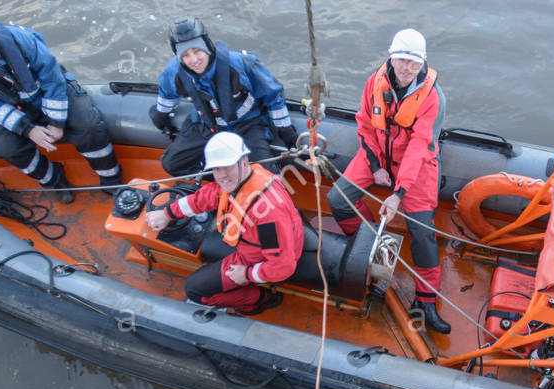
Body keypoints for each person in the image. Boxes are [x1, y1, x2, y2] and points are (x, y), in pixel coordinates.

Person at [326, 28, 450, 334]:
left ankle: (426, 300)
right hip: (378, 157)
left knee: (421, 231)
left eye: (414, 62)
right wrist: (373, 165)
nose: (407, 67)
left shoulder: (433, 98)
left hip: (416, 167)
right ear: (391, 57)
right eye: (402, 59)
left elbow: (420, 146)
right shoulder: (374, 83)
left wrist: (399, 191)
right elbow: (365, 125)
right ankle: (369, 239)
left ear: (423, 63)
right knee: (337, 200)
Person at [0, 3, 121, 203]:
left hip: (50, 92)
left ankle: (111, 178)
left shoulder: (20, 40)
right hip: (16, 107)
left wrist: (56, 121)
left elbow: (51, 75)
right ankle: (55, 180)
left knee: (88, 125)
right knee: (8, 149)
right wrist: (26, 129)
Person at [144, 132, 303, 315]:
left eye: (227, 167)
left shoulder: (268, 215)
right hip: (248, 242)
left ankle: (258, 299)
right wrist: (168, 213)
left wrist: (246, 274)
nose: (222, 175)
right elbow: (206, 196)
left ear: (244, 161)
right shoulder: (241, 180)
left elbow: (282, 266)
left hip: (255, 258)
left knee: (196, 291)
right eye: (217, 169)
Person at [150, 17, 298, 178]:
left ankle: (244, 183)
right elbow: (167, 94)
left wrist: (285, 128)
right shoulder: (174, 72)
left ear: (207, 46)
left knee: (267, 176)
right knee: (171, 164)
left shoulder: (242, 63)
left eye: (197, 51)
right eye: (185, 55)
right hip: (207, 125)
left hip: (247, 124)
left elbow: (273, 94)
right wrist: (161, 114)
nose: (194, 60)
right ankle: (221, 181)